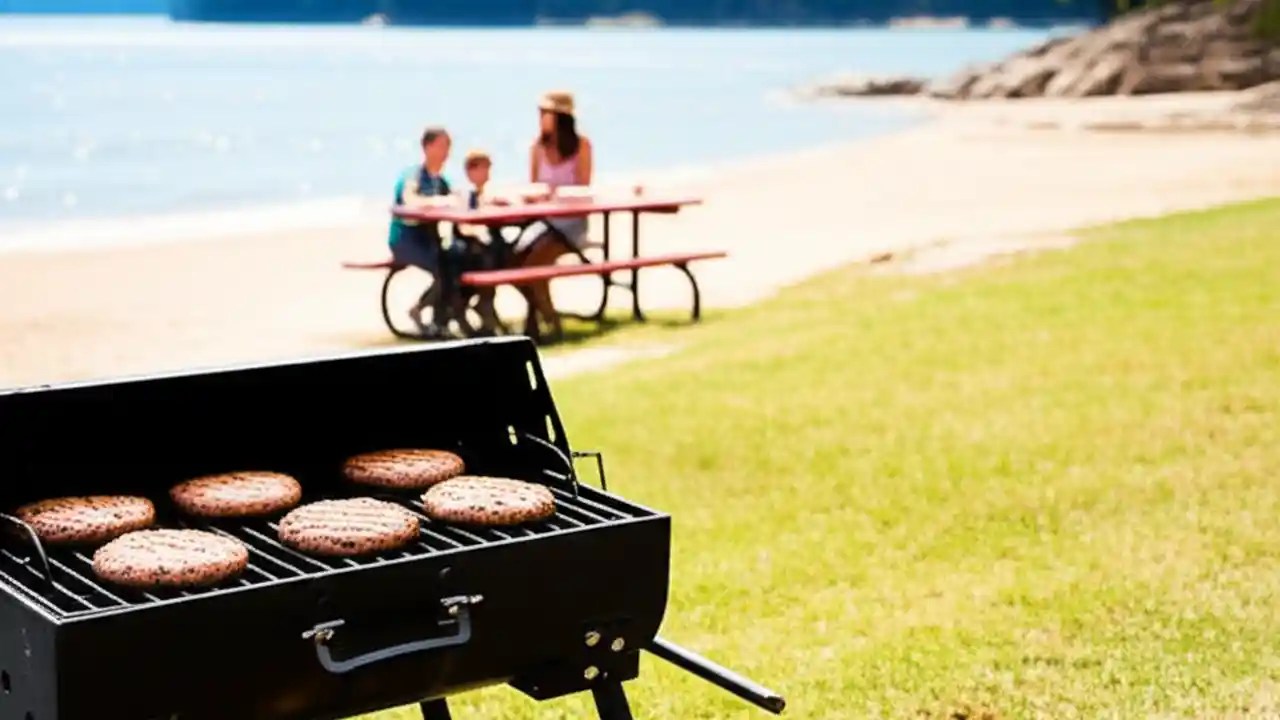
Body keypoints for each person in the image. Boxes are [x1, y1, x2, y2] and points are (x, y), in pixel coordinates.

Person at [514, 90, 594, 339]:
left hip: (571, 223)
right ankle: (542, 318)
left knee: (534, 263)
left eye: (545, 113)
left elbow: (583, 188)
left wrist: (556, 195)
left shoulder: (582, 145)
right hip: (544, 220)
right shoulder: (537, 146)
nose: (540, 118)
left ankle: (549, 322)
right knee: (515, 258)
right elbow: (533, 185)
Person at [387, 125, 453, 334]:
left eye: (448, 147)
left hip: (430, 240)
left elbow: (456, 201)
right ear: (427, 147)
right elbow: (410, 201)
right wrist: (437, 202)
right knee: (445, 271)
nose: (446, 153)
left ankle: (440, 317)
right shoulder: (413, 176)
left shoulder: (441, 181)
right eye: (442, 146)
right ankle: (423, 312)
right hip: (406, 240)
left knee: (458, 262)